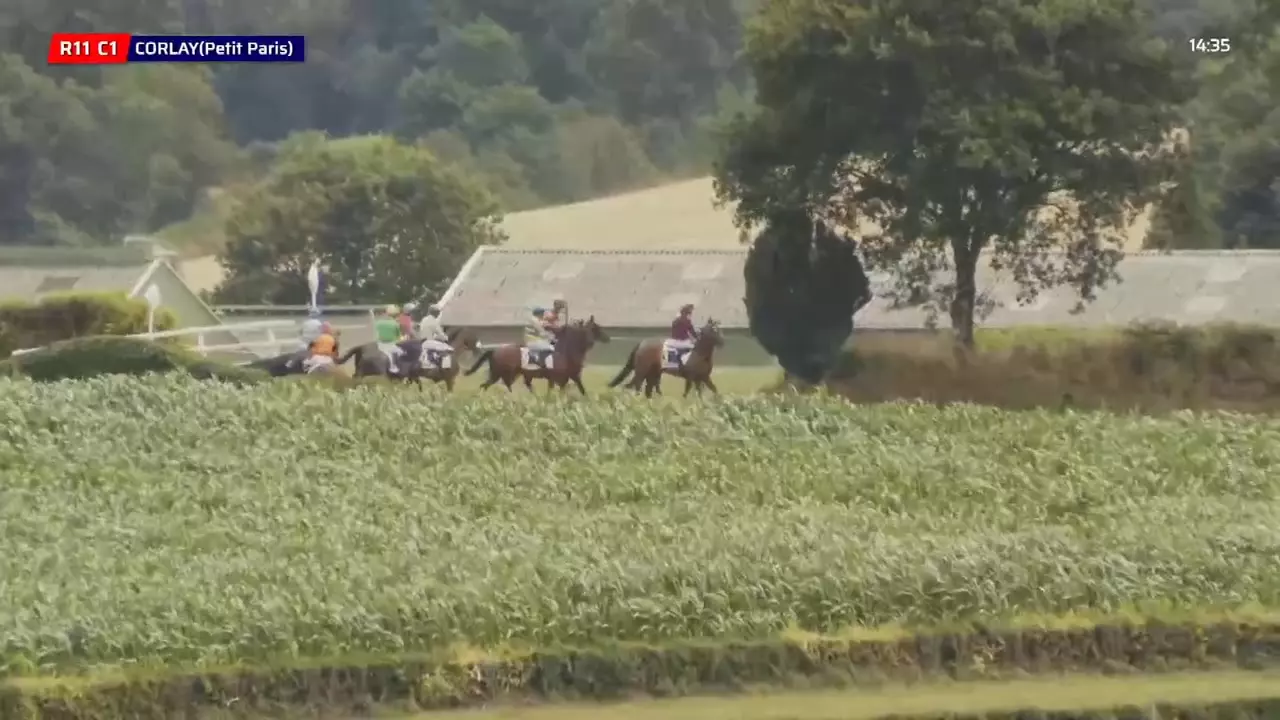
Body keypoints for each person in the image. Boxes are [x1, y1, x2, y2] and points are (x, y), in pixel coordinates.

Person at [374, 304, 404, 372]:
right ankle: (394, 367)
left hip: (380, 344)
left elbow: (377, 333)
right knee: (402, 352)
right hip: (391, 344)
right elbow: (399, 337)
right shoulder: (395, 324)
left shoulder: (378, 323)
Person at [667, 303, 697, 368]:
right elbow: (693, 333)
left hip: (673, 341)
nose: (691, 315)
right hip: (680, 342)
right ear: (687, 313)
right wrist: (696, 339)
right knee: (694, 347)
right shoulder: (686, 321)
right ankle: (684, 361)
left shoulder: (677, 320)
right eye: (690, 313)